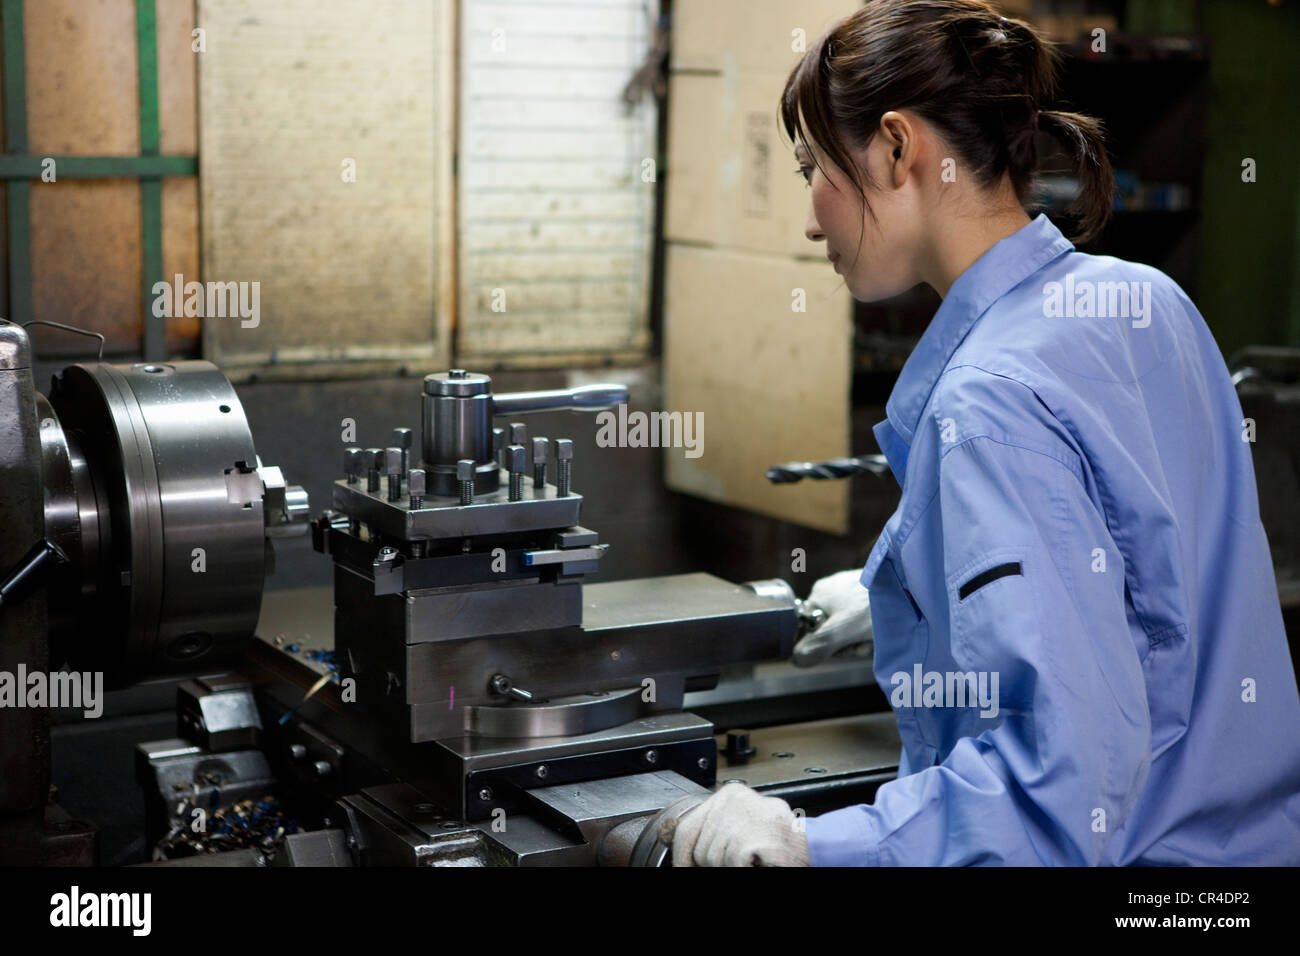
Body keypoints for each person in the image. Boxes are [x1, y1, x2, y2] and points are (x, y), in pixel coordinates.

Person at [664, 0, 1300, 866]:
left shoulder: (988, 402)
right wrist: (922, 589)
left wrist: (805, 847)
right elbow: (1143, 590)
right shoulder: (1146, 300)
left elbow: (1051, 805)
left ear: (897, 146)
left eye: (814, 166)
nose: (811, 217)